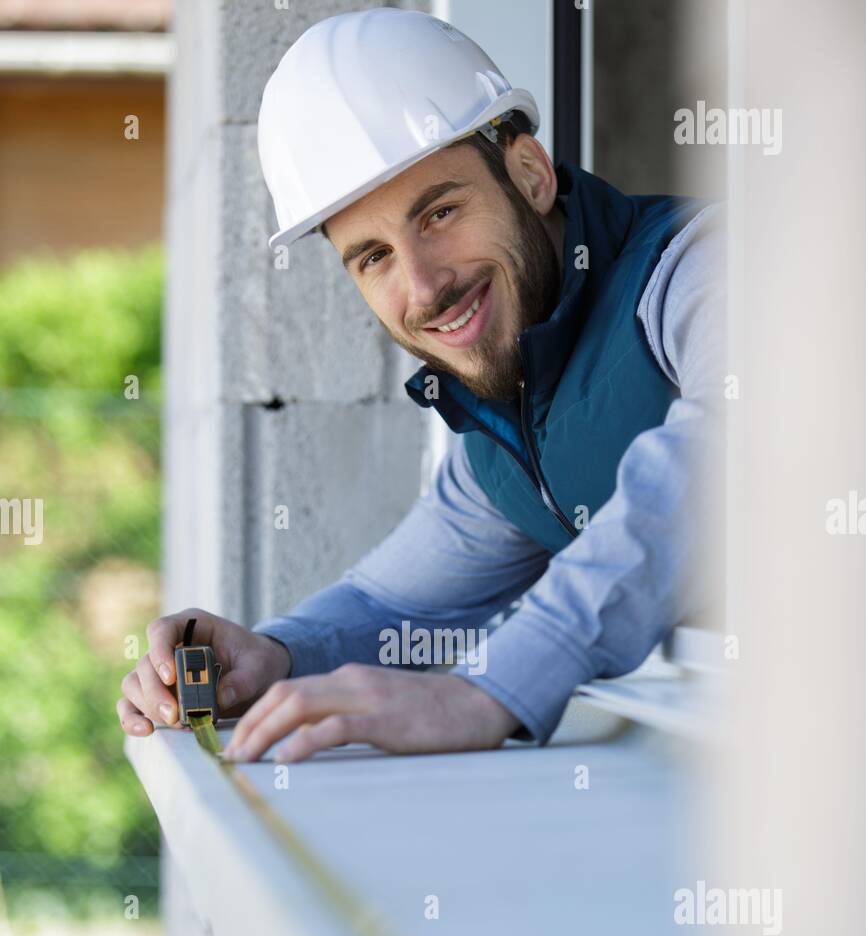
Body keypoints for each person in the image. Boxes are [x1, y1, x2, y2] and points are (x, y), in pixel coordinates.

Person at [117, 7, 723, 764]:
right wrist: (272, 654)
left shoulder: (700, 269)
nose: (424, 285)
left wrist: (490, 690)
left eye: (440, 211)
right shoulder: (507, 436)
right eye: (373, 256)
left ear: (530, 174)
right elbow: (393, 605)